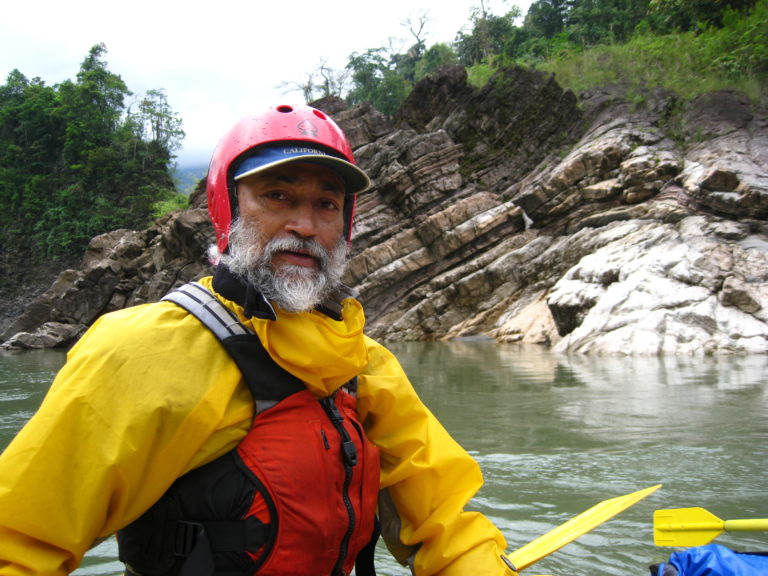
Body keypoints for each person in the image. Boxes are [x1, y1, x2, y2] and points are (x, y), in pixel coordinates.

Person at [0, 104, 516, 576]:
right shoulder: (140, 352)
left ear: (346, 224)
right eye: (277, 196)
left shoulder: (362, 362)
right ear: (226, 209)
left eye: (327, 204)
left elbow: (444, 522)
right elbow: (19, 543)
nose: (305, 225)